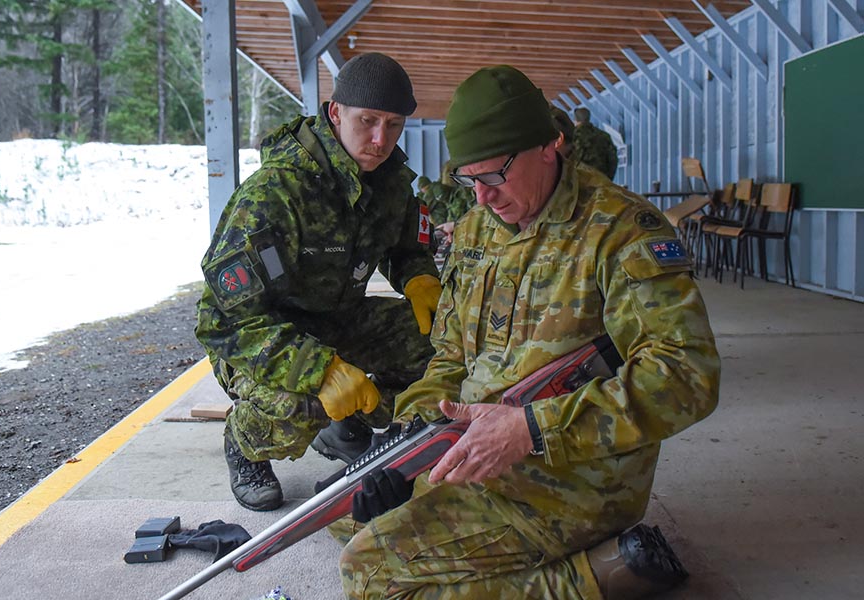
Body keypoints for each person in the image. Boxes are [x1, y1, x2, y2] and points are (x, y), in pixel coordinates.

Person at [338, 65, 720, 599]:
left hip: (572, 481)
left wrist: (532, 429)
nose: (481, 199)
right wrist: (408, 440)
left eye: (493, 177)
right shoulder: (477, 230)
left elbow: (688, 377)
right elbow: (451, 357)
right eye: (468, 181)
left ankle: (594, 578)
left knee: (367, 572)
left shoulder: (621, 232)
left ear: (549, 146)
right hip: (472, 449)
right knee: (347, 511)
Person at [195, 52, 442, 512]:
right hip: (261, 340)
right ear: (335, 114)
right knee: (297, 402)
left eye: (393, 125)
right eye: (367, 121)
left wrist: (419, 278)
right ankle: (244, 444)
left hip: (339, 318)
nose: (379, 138)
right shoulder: (275, 194)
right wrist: (320, 369)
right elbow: (224, 323)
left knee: (441, 344)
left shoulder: (388, 181)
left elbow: (406, 247)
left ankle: (352, 425)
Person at [572, 106, 619, 180]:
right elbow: (613, 159)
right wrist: (608, 179)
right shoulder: (604, 136)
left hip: (579, 181)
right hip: (601, 180)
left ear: (575, 120)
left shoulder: (571, 136)